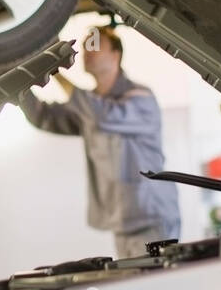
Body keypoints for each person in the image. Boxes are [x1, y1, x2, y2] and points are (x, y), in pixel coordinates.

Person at [20, 25, 180, 258]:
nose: (87, 51)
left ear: (116, 55)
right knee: (133, 286)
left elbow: (102, 115)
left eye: (95, 45)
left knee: (155, 286)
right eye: (85, 47)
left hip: (152, 218)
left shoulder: (140, 98)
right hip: (121, 222)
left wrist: (53, 72)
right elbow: (42, 117)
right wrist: (20, 80)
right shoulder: (90, 106)